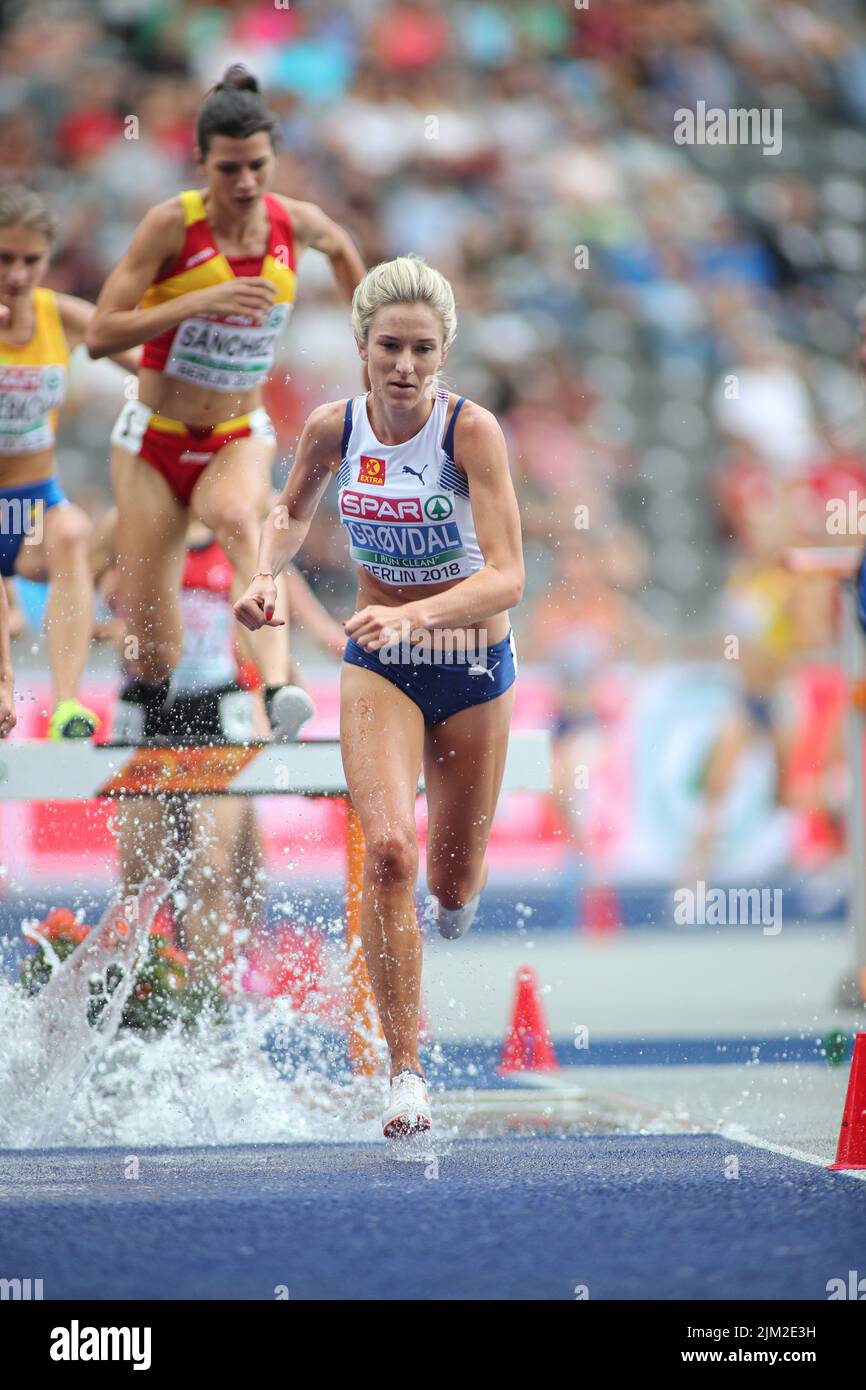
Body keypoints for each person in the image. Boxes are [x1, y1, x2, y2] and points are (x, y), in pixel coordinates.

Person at [236, 254, 525, 1138]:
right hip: (380, 663)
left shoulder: (469, 434)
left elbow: (508, 577)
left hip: (471, 661)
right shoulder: (334, 427)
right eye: (390, 347)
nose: (405, 366)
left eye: (423, 351)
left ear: (444, 356)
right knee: (391, 853)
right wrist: (262, 577)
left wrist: (425, 614)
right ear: (363, 346)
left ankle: (455, 896)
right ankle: (407, 1075)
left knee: (449, 883)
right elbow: (287, 515)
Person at [85, 64, 365, 743]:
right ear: (201, 162)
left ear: (274, 160)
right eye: (230, 169)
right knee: (158, 652)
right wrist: (201, 300)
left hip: (236, 433)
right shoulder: (170, 227)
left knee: (244, 519)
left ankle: (276, 689)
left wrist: (375, 342)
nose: (245, 183)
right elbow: (99, 335)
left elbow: (344, 249)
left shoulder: (294, 222)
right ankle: (145, 695)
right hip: (152, 440)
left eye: (257, 167)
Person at [92, 507, 346, 995]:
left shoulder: (238, 522)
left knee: (213, 863)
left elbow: (277, 583)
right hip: (146, 710)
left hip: (218, 706)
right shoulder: (125, 523)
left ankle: (211, 994)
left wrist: (291, 663)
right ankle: (144, 994)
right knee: (142, 879)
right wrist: (110, 629)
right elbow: (70, 597)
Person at [0, 185, 138, 737]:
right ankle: (6, 694)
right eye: (4, 258)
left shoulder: (64, 318)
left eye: (31, 260)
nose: (17, 273)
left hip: (33, 505)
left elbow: (150, 369)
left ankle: (66, 706)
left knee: (75, 532)